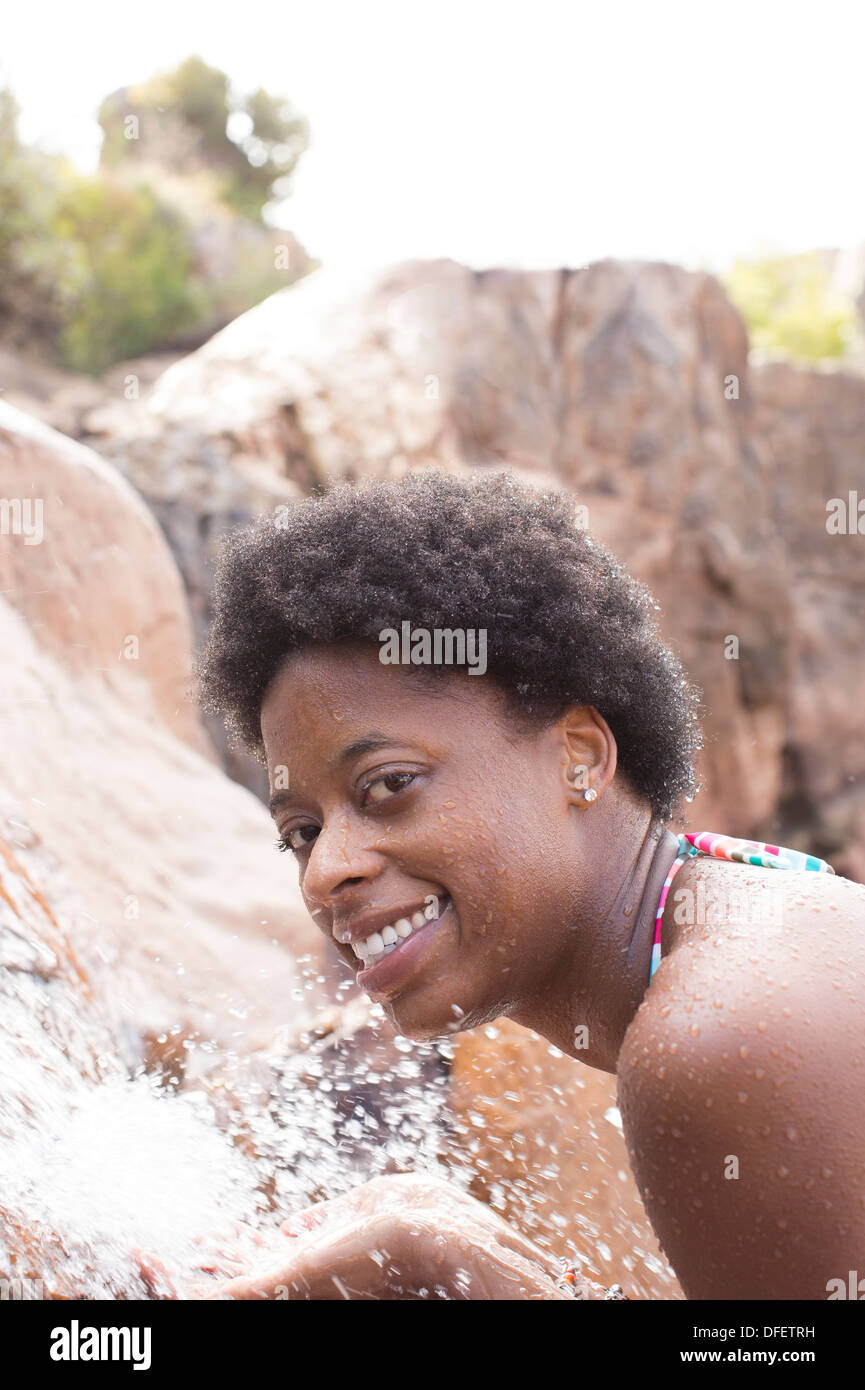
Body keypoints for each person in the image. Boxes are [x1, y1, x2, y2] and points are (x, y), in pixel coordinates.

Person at [195, 470, 865, 1300]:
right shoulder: (729, 904)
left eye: (387, 784)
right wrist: (435, 1235)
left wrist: (443, 1267)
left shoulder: (718, 1033)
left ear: (578, 755)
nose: (328, 870)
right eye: (301, 832)